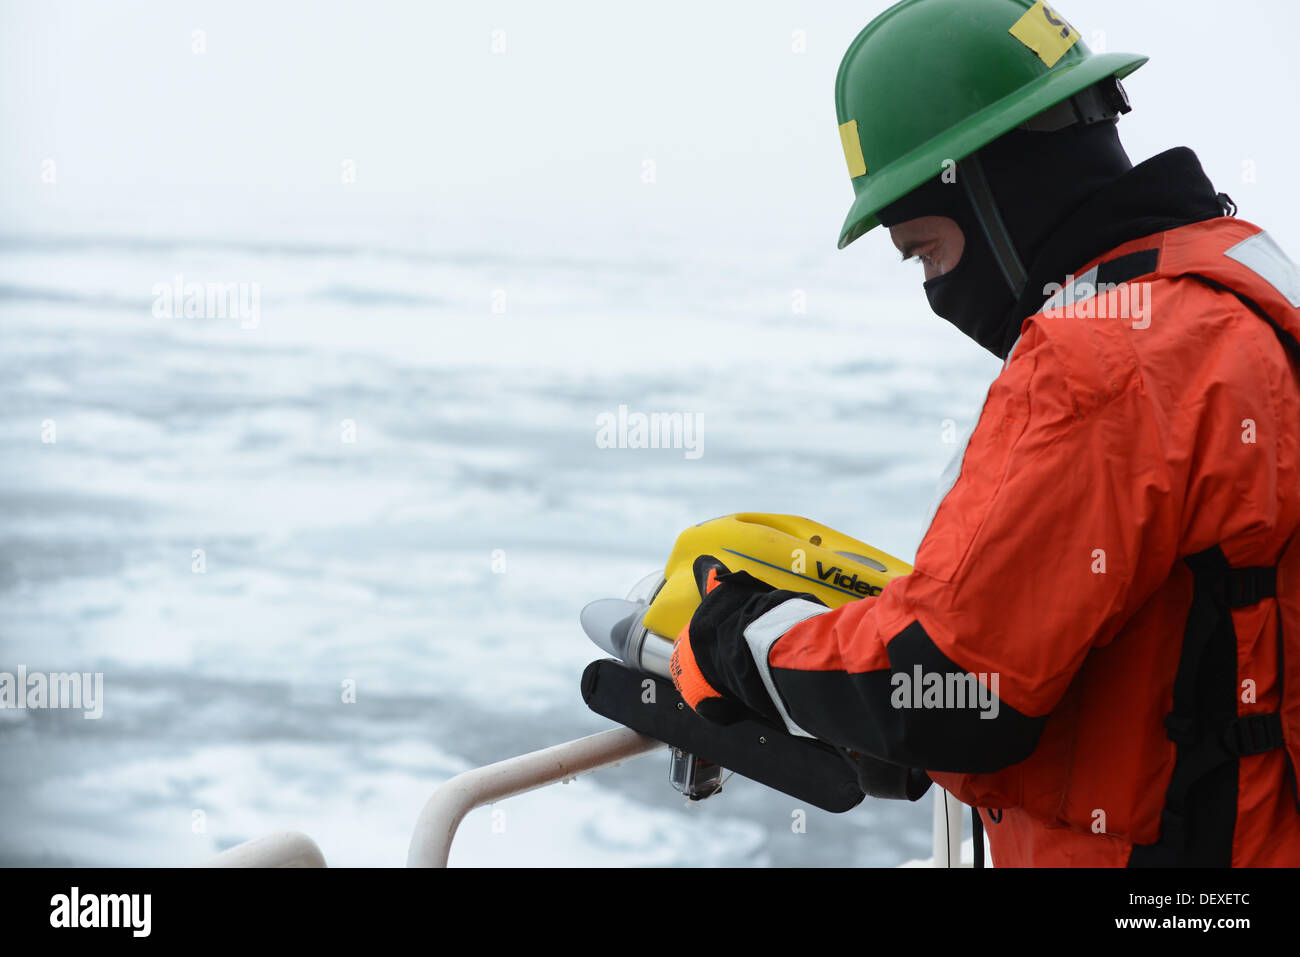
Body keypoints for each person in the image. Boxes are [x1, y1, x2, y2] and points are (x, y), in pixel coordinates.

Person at [668, 0, 1300, 866]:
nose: (937, 291)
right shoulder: (1242, 282)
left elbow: (947, 691)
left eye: (926, 250)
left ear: (998, 191)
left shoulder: (1095, 363)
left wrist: (738, 641)